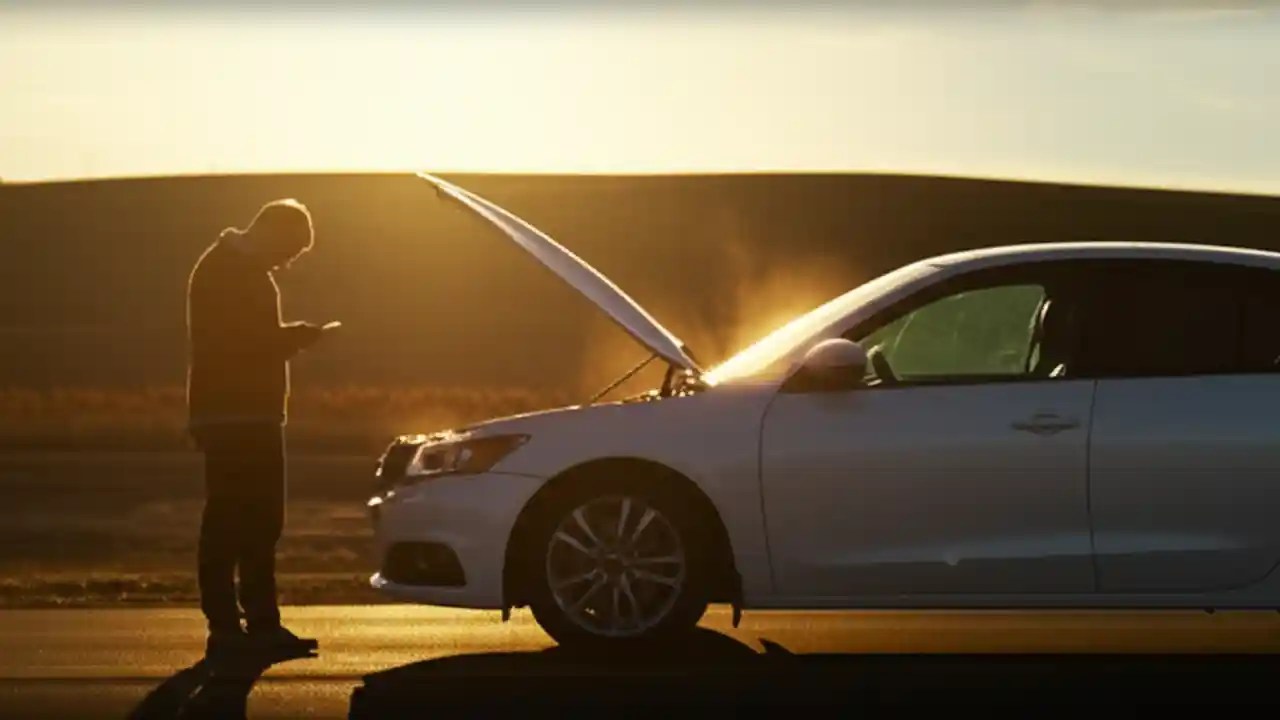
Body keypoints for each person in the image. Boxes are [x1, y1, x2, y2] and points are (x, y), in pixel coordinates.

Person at [185, 198, 337, 658]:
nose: (287, 262)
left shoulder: (244, 271)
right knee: (229, 521)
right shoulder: (223, 271)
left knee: (262, 521)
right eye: (289, 250)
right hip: (232, 416)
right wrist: (297, 338)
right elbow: (240, 343)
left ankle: (261, 624)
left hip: (255, 414)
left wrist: (290, 337)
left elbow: (248, 338)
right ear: (270, 232)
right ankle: (227, 628)